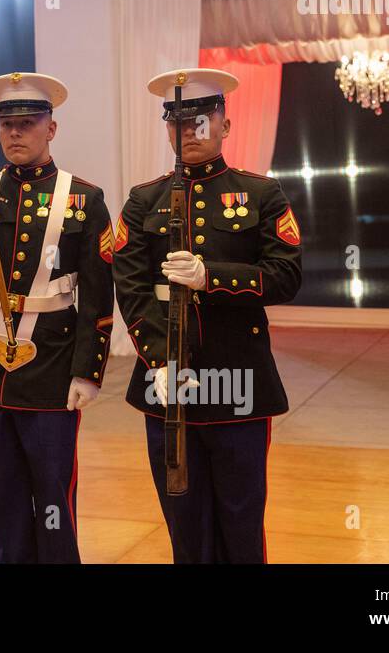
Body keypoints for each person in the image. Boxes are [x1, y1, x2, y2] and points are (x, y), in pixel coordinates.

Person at [112, 69, 302, 563]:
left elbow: (285, 276)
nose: (188, 131)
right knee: (184, 525)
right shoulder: (143, 200)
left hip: (240, 380)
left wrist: (211, 276)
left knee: (240, 522)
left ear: (225, 124)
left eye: (201, 120)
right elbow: (130, 289)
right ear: (167, 128)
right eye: (177, 122)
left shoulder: (261, 194)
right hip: (167, 383)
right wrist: (162, 364)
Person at [0, 72, 114, 563]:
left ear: (51, 129)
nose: (15, 133)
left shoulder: (84, 200)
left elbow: (97, 294)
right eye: (7, 125)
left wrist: (87, 371)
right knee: (2, 497)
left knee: (53, 497)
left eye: (28, 123)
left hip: (52, 368)